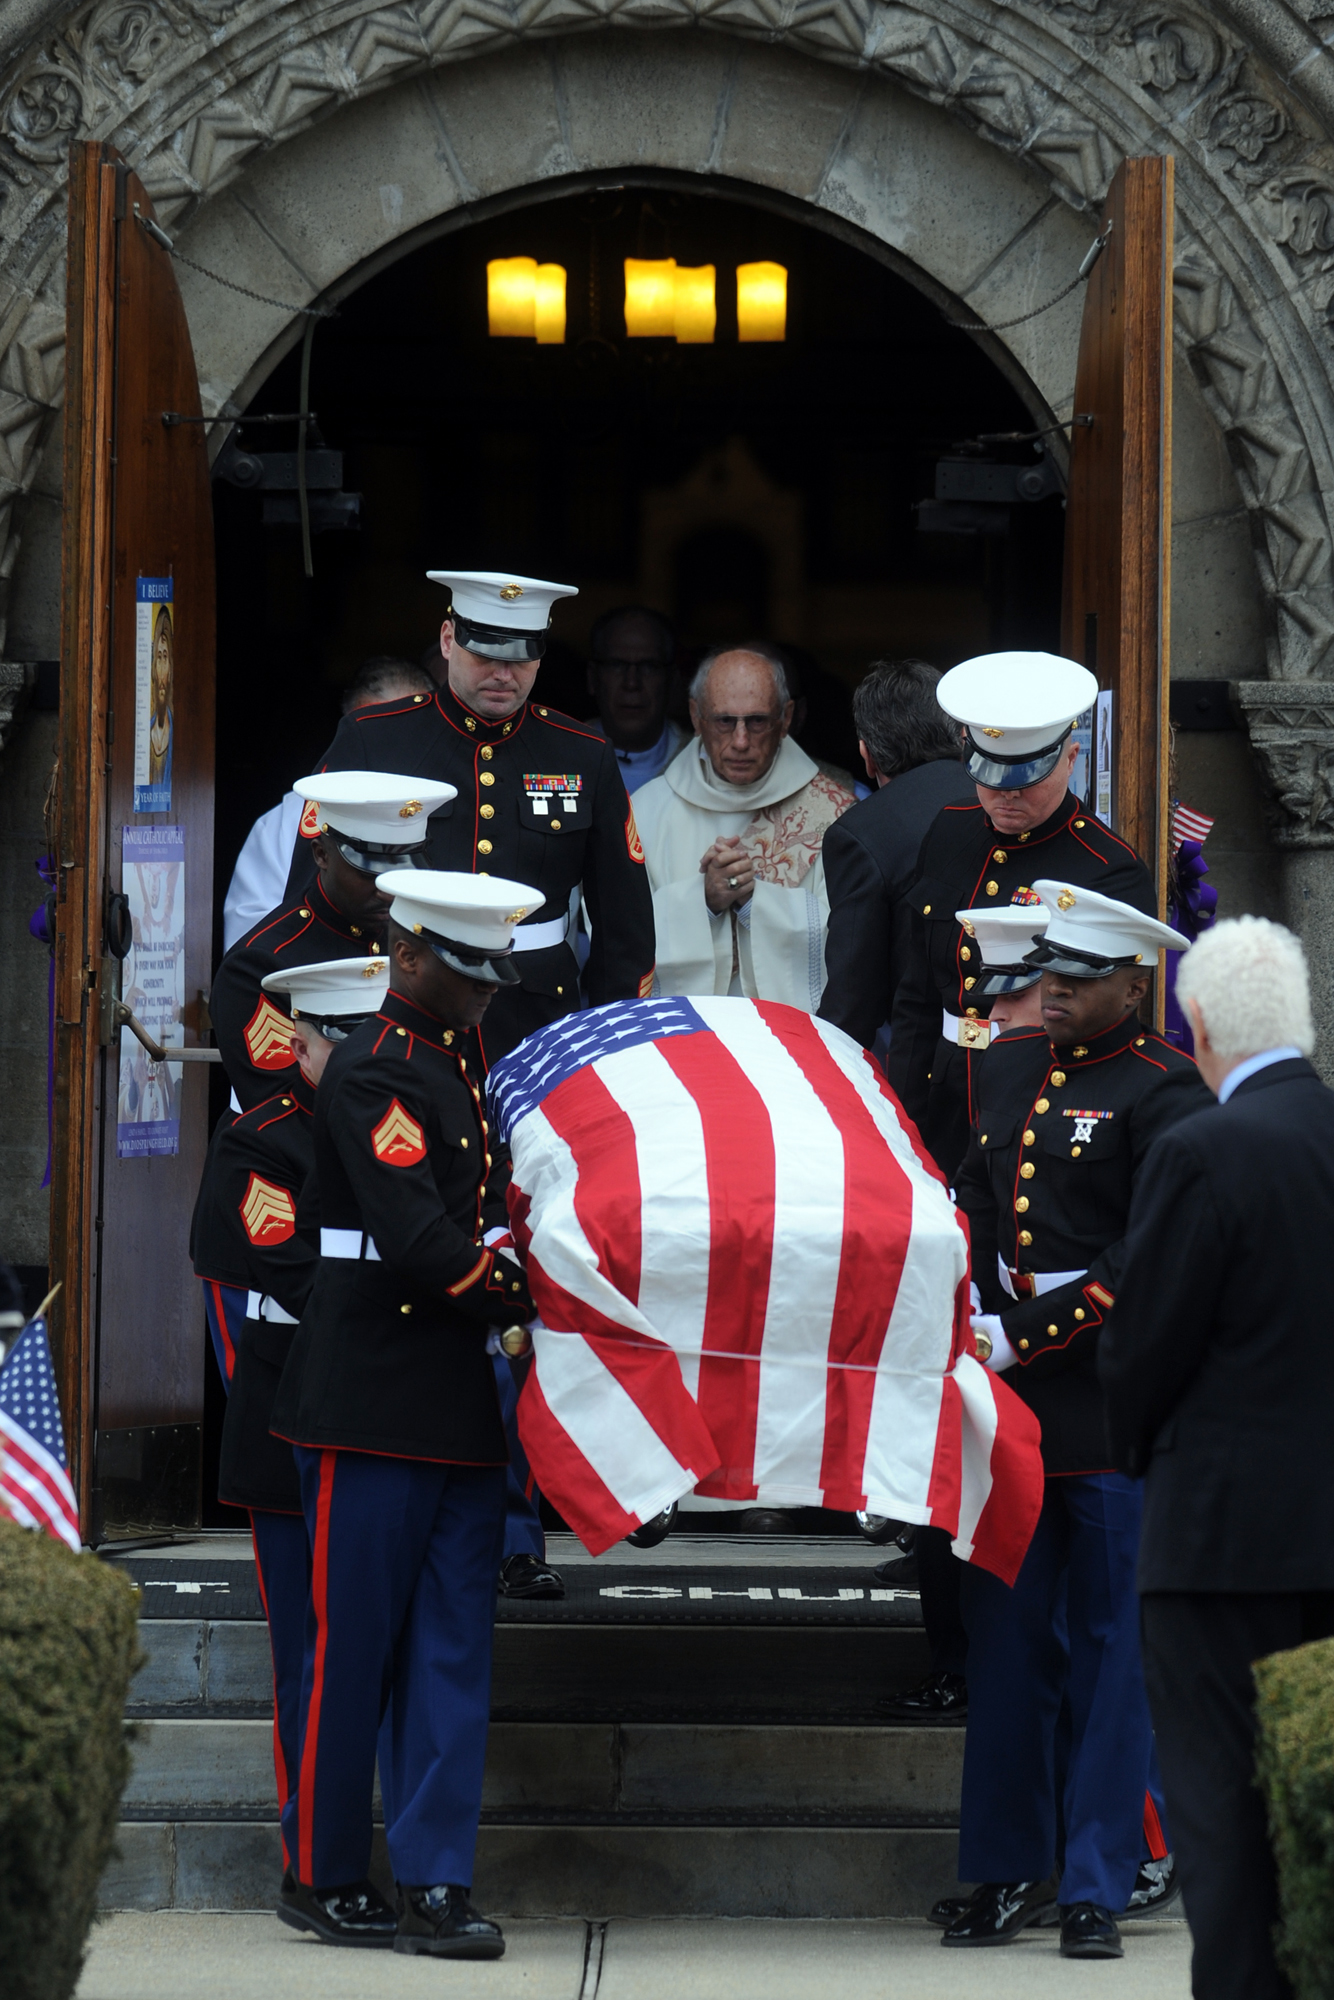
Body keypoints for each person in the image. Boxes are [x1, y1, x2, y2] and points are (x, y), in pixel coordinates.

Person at [269, 871, 542, 1958]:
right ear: (411, 956)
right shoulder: (377, 1072)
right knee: (356, 1649)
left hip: (452, 1402)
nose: (484, 995)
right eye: (467, 974)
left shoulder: (454, 1064)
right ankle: (324, 1870)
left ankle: (435, 1880)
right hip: (370, 1397)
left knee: (449, 1650)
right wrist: (544, 1292)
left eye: (491, 977)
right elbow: (428, 1246)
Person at [943, 880, 1211, 1960]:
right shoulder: (1010, 1073)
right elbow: (965, 1194)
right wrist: (959, 1289)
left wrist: (1024, 1329)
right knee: (1006, 1643)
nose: (1044, 993)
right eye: (1043, 974)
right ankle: (1005, 1865)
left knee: (1108, 1655)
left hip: (1107, 1401)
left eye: (1071, 980)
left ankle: (1097, 1877)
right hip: (1008, 1406)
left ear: (1127, 983)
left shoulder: (1168, 1093)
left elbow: (1141, 1260)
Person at [1100, 916, 1334, 2000]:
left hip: (1216, 1546)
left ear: (1193, 1028)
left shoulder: (1201, 1149)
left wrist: (1139, 1450)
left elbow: (1143, 1348)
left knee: (1225, 1830)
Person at [292, 571, 656, 1069]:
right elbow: (311, 897)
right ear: (448, 640)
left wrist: (613, 1045)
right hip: (399, 1008)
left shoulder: (583, 754)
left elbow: (624, 929)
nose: (504, 675)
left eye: (521, 658)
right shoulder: (374, 739)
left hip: (537, 1021)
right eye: (485, 654)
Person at [198, 954, 389, 1888]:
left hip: (387, 1414)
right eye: (333, 1041)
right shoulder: (263, 1141)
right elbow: (295, 1274)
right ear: (304, 1047)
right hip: (288, 1414)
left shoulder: (410, 1113)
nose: (350, 1058)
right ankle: (307, 1846)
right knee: (305, 1654)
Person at [888, 652, 1155, 1183]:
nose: (1006, 795)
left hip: (1040, 1100)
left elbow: (1110, 1022)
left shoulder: (1107, 869)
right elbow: (916, 992)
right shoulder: (951, 831)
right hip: (941, 1090)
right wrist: (902, 1108)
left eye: (1027, 778)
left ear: (1071, 758)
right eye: (990, 776)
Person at [212, 773, 451, 1113]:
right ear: (321, 854)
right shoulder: (260, 966)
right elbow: (284, 1113)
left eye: (401, 869)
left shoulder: (422, 943)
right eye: (368, 869)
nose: (387, 889)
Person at [633, 643, 856, 1009]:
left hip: (789, 1037)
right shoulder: (646, 811)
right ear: (696, 716)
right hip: (680, 1037)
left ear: (785, 719)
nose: (740, 741)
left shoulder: (834, 812)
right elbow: (614, 933)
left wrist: (757, 902)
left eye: (757, 722)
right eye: (724, 721)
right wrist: (702, 901)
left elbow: (854, 942)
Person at [224, 658, 436, 950]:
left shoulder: (461, 808)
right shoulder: (288, 822)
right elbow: (252, 949)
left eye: (398, 736)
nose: (383, 752)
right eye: (369, 736)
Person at [819, 660, 976, 1049]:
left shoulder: (861, 833)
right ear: (960, 734)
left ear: (867, 755)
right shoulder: (1002, 798)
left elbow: (854, 1002)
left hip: (921, 1058)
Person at [585, 605, 688, 793]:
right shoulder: (559, 754)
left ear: (671, 680)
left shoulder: (702, 761)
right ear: (593, 678)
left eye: (649, 667)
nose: (631, 683)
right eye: (616, 665)